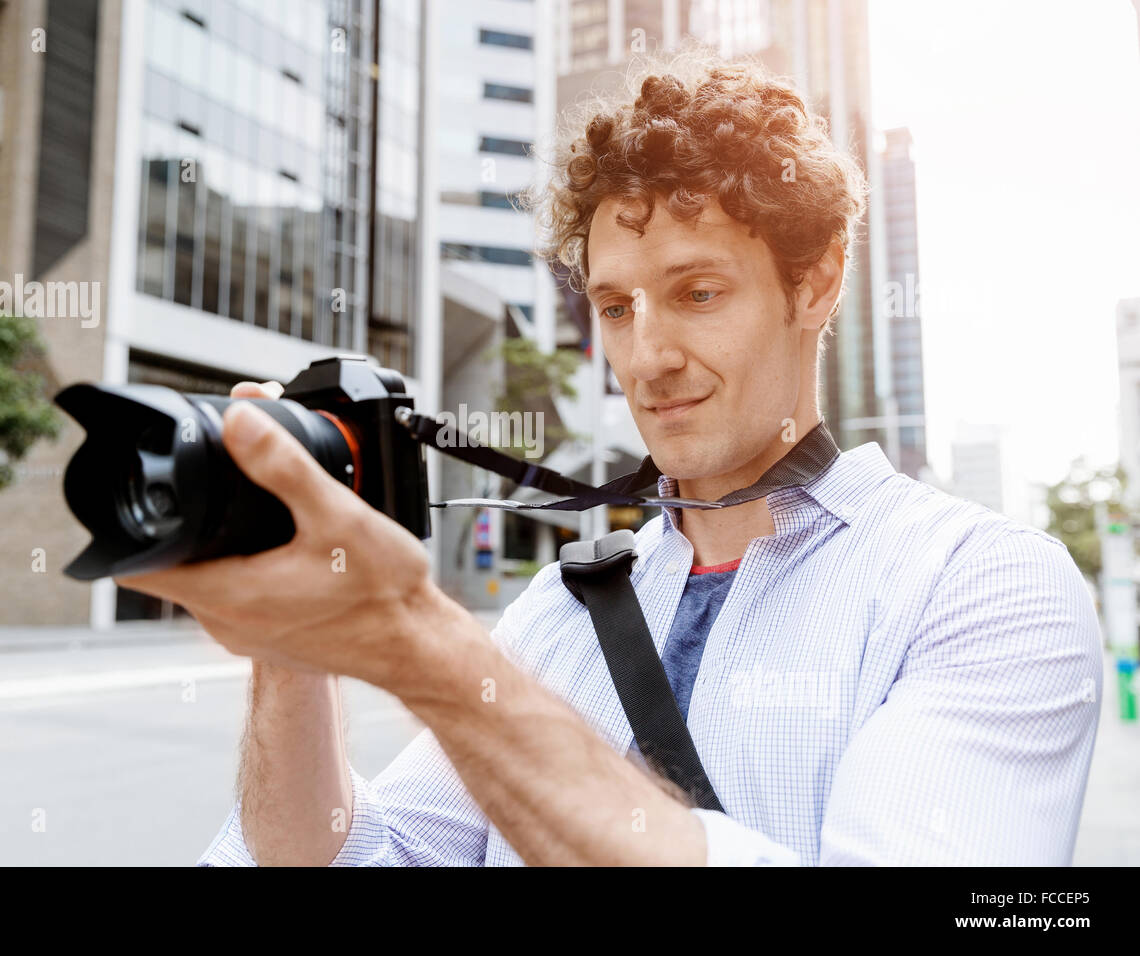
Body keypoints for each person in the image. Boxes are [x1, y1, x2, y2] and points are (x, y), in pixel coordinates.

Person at [119, 51, 1102, 866]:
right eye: (616, 306)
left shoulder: (980, 585)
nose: (646, 356)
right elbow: (354, 859)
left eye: (698, 292)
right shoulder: (559, 610)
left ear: (817, 280)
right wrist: (292, 660)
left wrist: (417, 640)